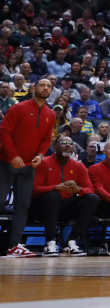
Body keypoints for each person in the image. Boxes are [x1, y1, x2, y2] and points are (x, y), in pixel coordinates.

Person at [0, 78, 56, 257]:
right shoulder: (18, 108)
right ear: (34, 88)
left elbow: (47, 139)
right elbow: (4, 131)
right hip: (6, 162)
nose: (45, 88)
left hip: (29, 166)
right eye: (42, 85)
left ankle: (14, 246)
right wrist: (13, 156)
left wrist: (40, 155)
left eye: (49, 86)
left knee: (23, 206)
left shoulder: (51, 114)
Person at [31, 135, 100, 256]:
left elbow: (90, 190)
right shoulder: (43, 163)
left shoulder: (79, 166)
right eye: (63, 142)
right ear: (54, 146)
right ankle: (50, 243)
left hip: (65, 208)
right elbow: (34, 189)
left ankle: (71, 242)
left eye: (71, 143)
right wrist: (56, 187)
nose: (68, 145)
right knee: (53, 195)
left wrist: (77, 189)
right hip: (42, 208)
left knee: (92, 199)